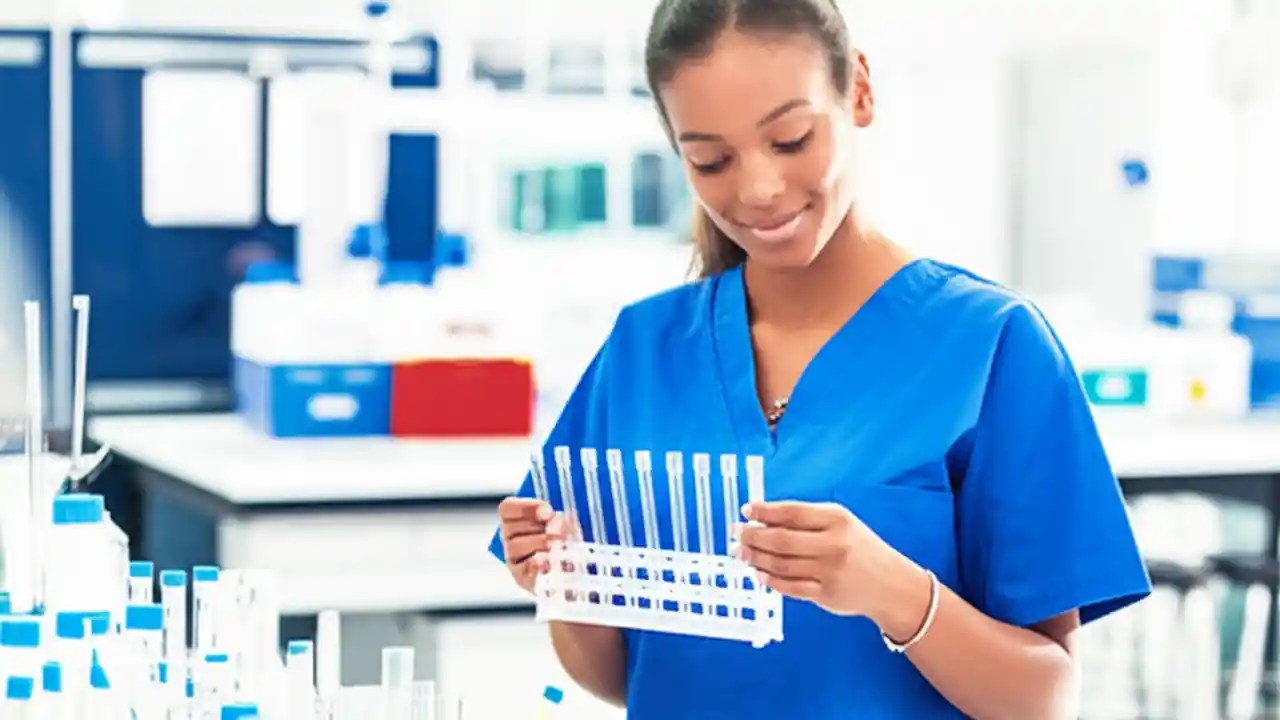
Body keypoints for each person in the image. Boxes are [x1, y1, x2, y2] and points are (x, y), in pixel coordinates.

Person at [488, 0, 1152, 717]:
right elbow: (624, 677)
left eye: (791, 139)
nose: (758, 191)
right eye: (711, 160)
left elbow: (1045, 700)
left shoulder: (993, 345)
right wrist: (567, 583)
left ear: (858, 89)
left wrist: (894, 593)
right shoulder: (642, 351)